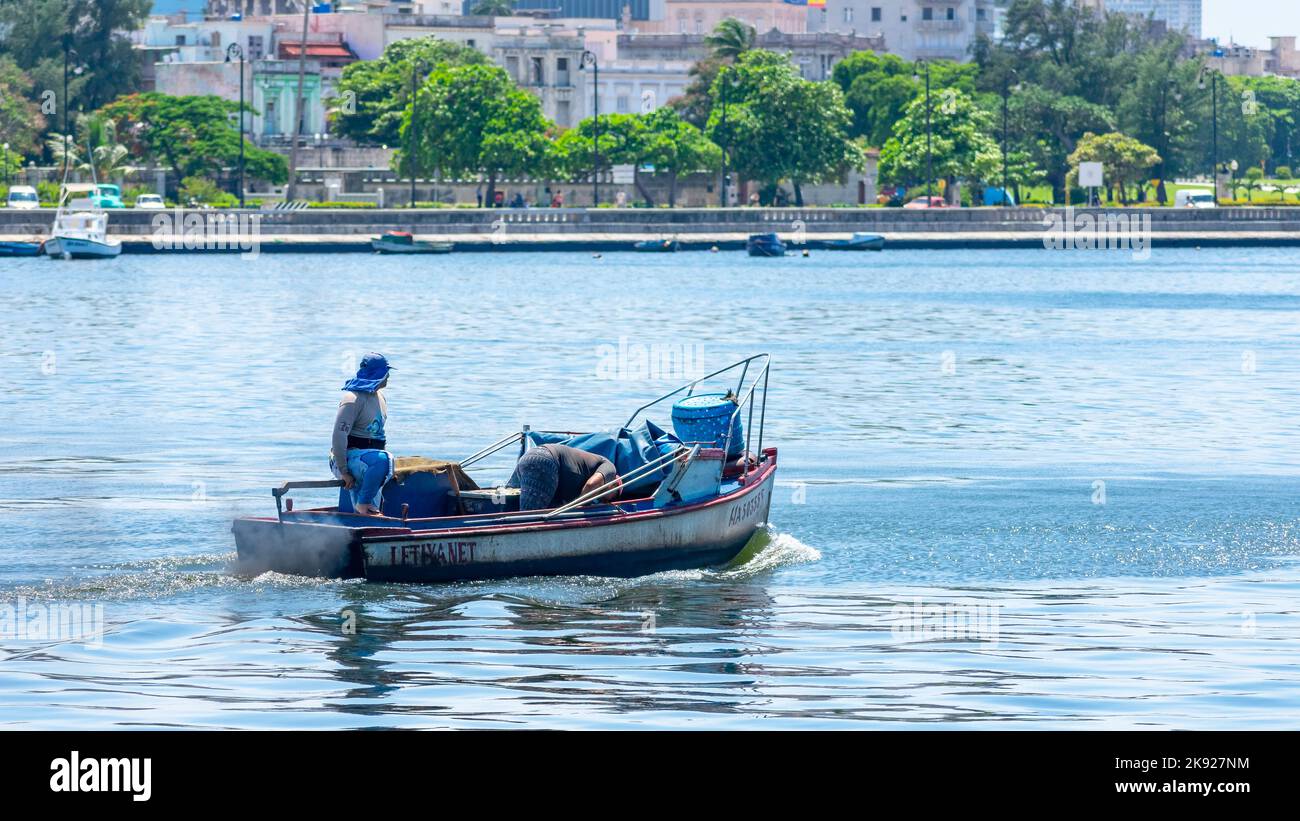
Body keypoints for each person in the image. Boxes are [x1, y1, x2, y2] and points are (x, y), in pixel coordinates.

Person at [330, 353, 395, 516]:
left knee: (387, 462)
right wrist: (344, 471)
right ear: (377, 374)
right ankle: (363, 504)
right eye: (386, 372)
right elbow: (338, 436)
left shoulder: (380, 397)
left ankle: (365, 509)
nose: (389, 376)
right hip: (346, 457)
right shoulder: (352, 399)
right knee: (382, 460)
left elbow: (379, 437)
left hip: (368, 458)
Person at [511, 444, 619, 511]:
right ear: (614, 484)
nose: (609, 501)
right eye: (615, 494)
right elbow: (591, 485)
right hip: (545, 462)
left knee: (510, 504)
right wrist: (574, 509)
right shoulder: (610, 469)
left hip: (529, 456)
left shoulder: (576, 482)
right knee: (530, 517)